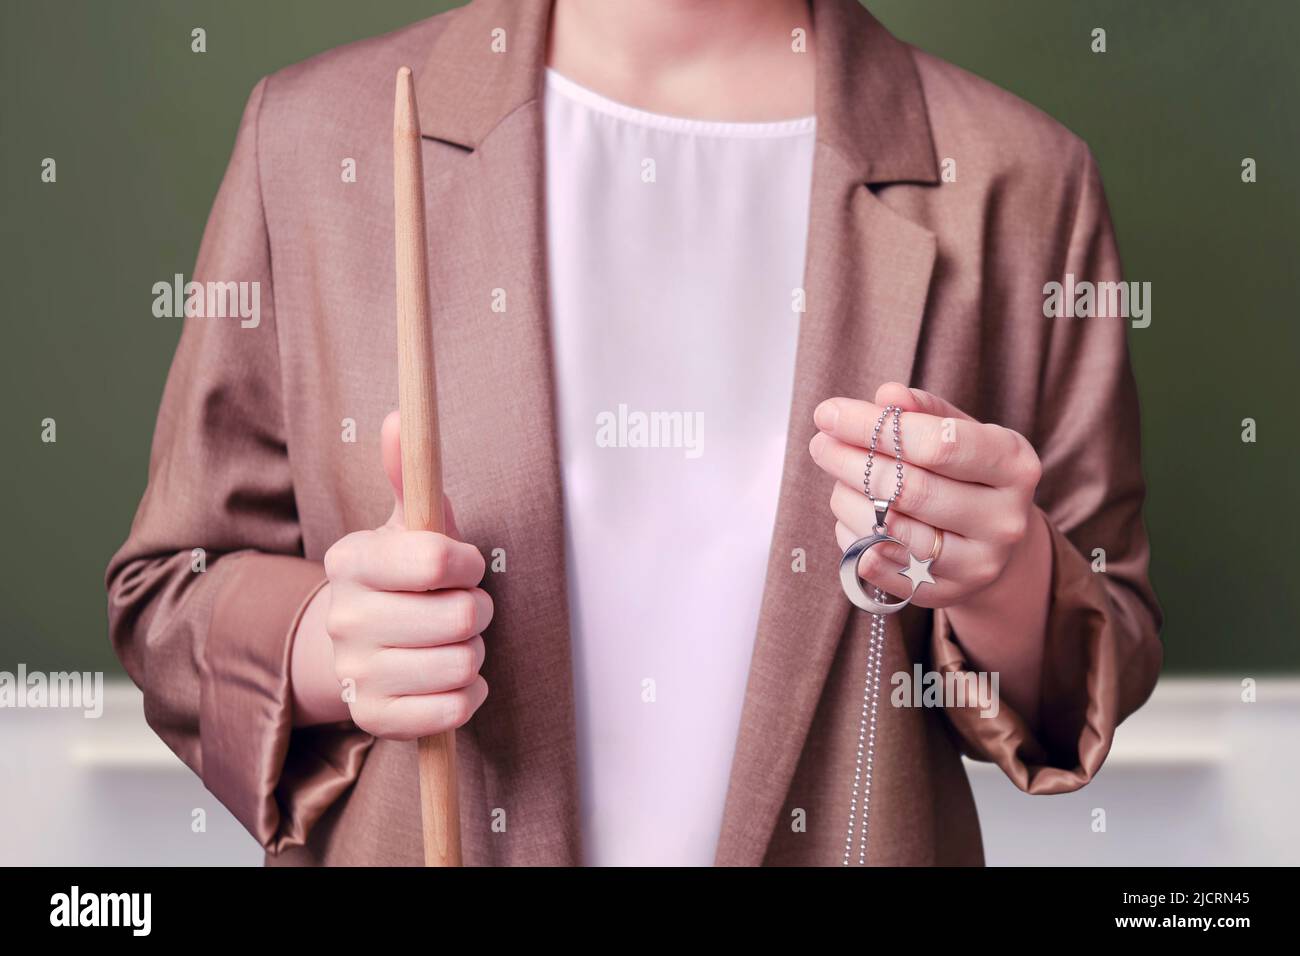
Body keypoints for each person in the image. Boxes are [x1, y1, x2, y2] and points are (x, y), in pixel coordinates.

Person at [106, 0, 1162, 866]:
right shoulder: (311, 140)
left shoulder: (1019, 180)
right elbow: (168, 592)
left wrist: (1005, 576)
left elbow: (1101, 649)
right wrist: (325, 646)